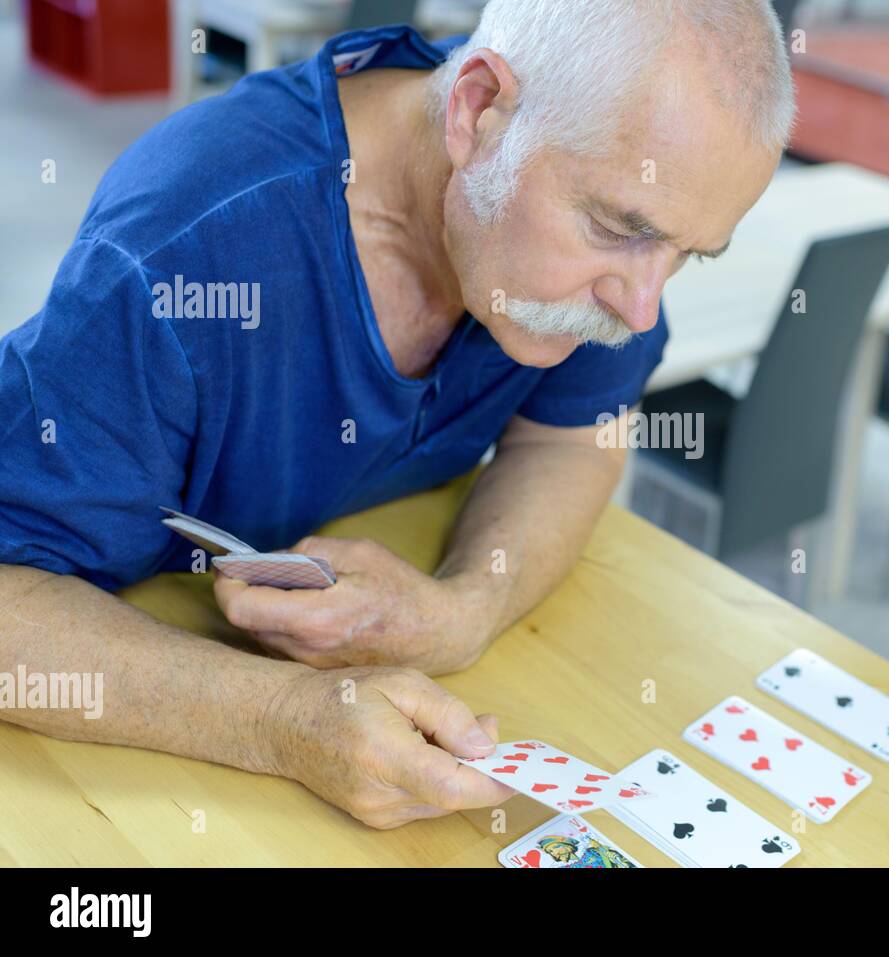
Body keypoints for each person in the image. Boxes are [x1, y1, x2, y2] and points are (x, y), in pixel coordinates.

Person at [0, 0, 795, 828]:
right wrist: (284, 718)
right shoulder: (183, 252)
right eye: (617, 228)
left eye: (687, 254)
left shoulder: (594, 174)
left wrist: (464, 610)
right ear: (476, 109)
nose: (640, 309)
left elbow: (572, 437)